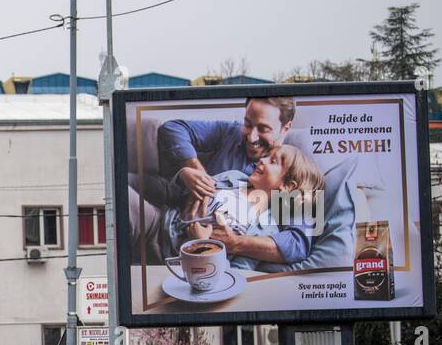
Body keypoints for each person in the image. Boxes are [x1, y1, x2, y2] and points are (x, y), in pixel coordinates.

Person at [129, 97, 297, 260]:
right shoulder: (232, 135)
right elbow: (172, 128)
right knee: (118, 187)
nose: (251, 137)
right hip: (169, 212)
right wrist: (194, 170)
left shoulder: (297, 170)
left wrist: (230, 243)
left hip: (179, 245)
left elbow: (298, 244)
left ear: (286, 127)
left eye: (263, 129)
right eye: (247, 124)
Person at [154, 144, 326, 269]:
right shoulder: (234, 177)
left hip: (171, 255)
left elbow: (237, 273)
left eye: (272, 161)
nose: (262, 160)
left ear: (288, 187)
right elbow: (181, 193)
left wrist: (202, 246)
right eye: (267, 155)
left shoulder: (266, 229)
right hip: (160, 220)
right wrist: (184, 174)